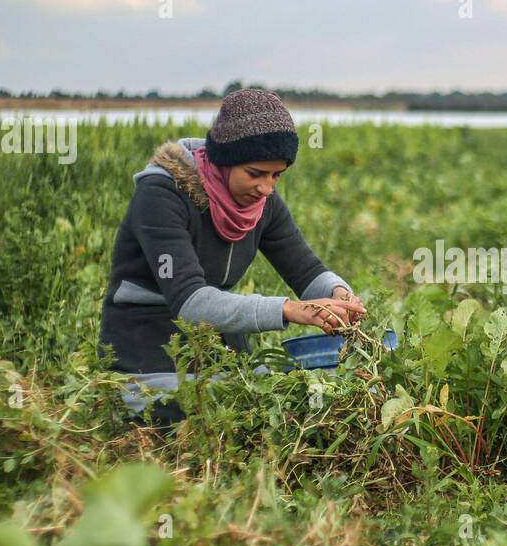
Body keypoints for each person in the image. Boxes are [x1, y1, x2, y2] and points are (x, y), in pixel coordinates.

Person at [98, 87, 366, 428]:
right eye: (255, 174)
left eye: (276, 175)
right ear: (223, 161)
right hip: (147, 346)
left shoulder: (262, 204)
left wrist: (338, 294)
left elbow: (305, 268)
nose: (267, 188)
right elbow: (190, 302)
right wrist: (287, 309)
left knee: (278, 407)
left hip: (219, 346)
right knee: (204, 417)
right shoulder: (161, 196)